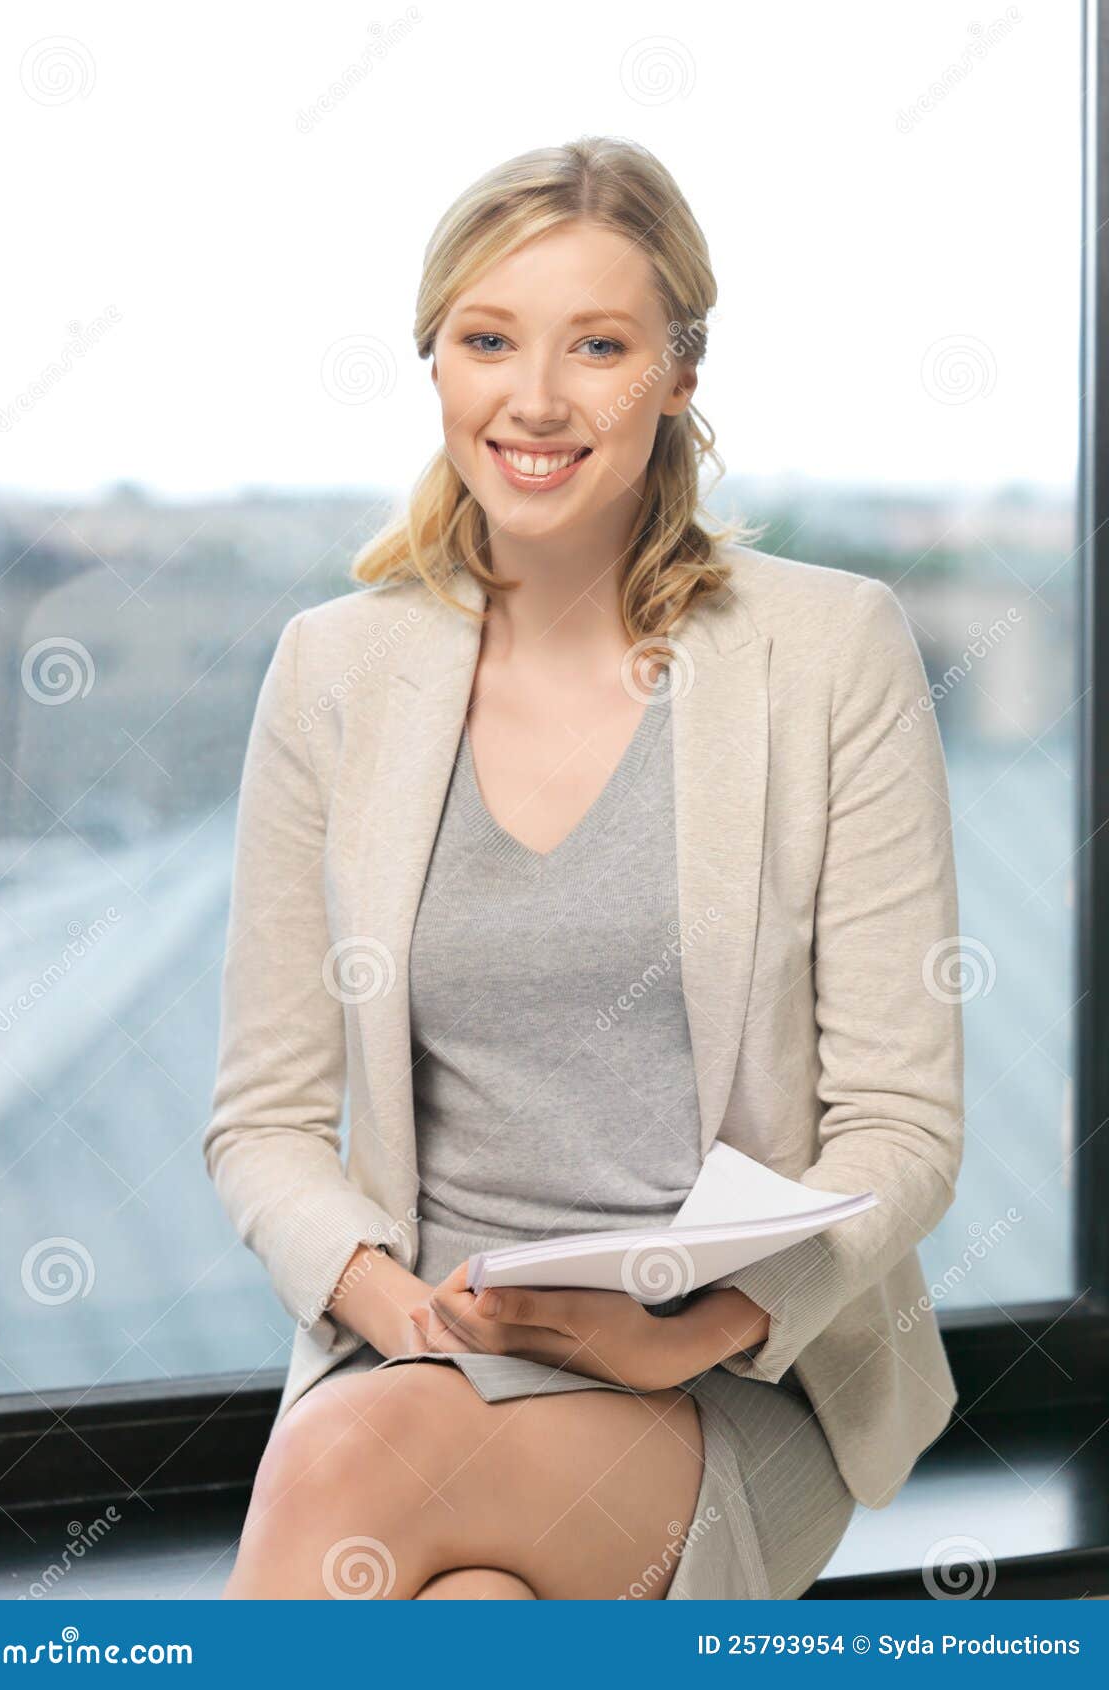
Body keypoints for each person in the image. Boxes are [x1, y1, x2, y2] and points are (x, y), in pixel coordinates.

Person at [205, 135, 964, 1601]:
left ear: (678, 375)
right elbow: (264, 1120)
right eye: (489, 340)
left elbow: (903, 1126)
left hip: (735, 1373)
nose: (535, 399)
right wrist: (393, 1305)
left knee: (348, 1473)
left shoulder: (829, 652)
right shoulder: (334, 672)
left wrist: (698, 1322)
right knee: (468, 1613)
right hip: (420, 1354)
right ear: (437, 364)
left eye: (598, 345)